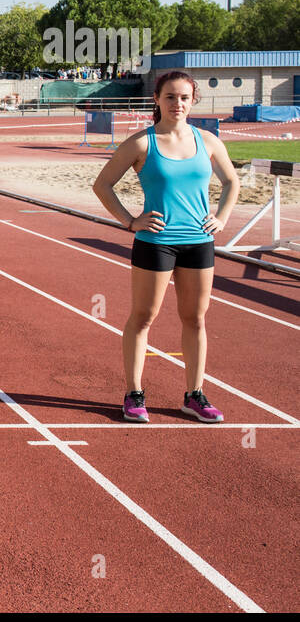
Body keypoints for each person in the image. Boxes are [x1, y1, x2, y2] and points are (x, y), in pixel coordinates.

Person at [92, 70, 239, 424]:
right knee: (143, 318)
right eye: (170, 97)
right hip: (156, 242)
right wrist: (130, 221)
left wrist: (221, 218)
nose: (178, 103)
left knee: (195, 318)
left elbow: (231, 180)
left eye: (184, 97)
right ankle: (134, 393)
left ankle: (194, 394)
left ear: (193, 100)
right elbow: (103, 184)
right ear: (157, 100)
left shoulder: (208, 141)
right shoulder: (143, 143)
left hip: (199, 243)